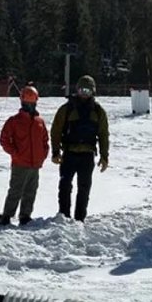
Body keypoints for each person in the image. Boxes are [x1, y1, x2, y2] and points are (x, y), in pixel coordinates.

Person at [50, 74, 109, 221]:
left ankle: (80, 219)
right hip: (69, 154)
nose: (84, 94)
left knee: (84, 188)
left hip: (87, 155)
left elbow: (103, 134)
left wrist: (104, 156)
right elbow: (56, 130)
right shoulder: (66, 109)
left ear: (93, 92)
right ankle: (63, 216)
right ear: (77, 90)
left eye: (88, 91)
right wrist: (56, 151)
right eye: (82, 90)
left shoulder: (98, 111)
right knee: (65, 185)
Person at [0, 85, 49, 226]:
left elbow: (45, 141)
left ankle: (25, 216)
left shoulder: (39, 122)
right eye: (27, 103)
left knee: (31, 191)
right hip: (20, 163)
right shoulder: (14, 121)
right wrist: (15, 153)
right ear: (22, 102)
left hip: (35, 164)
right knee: (15, 190)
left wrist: (43, 155)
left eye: (32, 103)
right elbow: (4, 139)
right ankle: (7, 216)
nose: (30, 106)